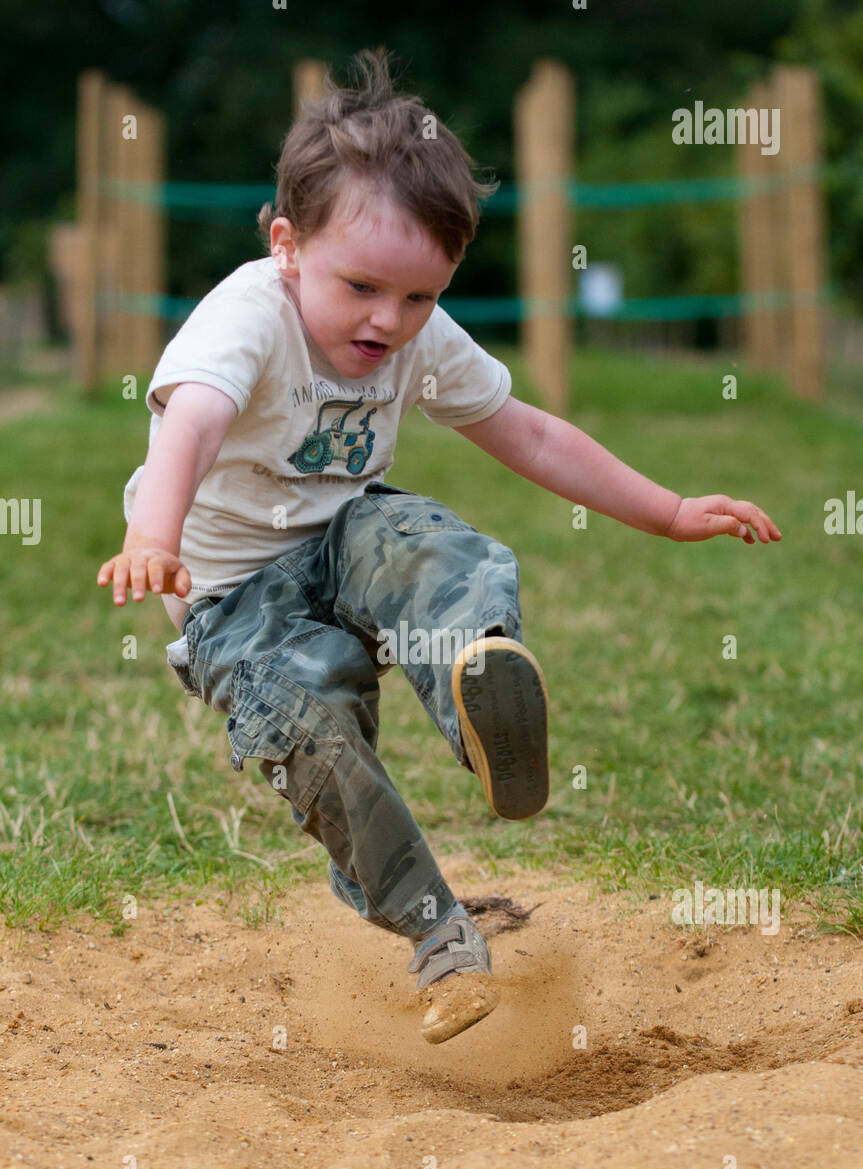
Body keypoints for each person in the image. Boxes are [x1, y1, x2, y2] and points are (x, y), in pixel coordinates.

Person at [97, 47, 781, 1045]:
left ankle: (479, 695)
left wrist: (667, 509)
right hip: (231, 597)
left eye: (419, 297)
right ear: (287, 245)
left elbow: (527, 431)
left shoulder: (413, 332)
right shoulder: (242, 317)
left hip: (340, 537)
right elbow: (191, 423)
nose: (391, 322)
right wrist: (151, 535)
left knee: (421, 540)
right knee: (312, 736)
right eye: (365, 288)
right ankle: (438, 937)